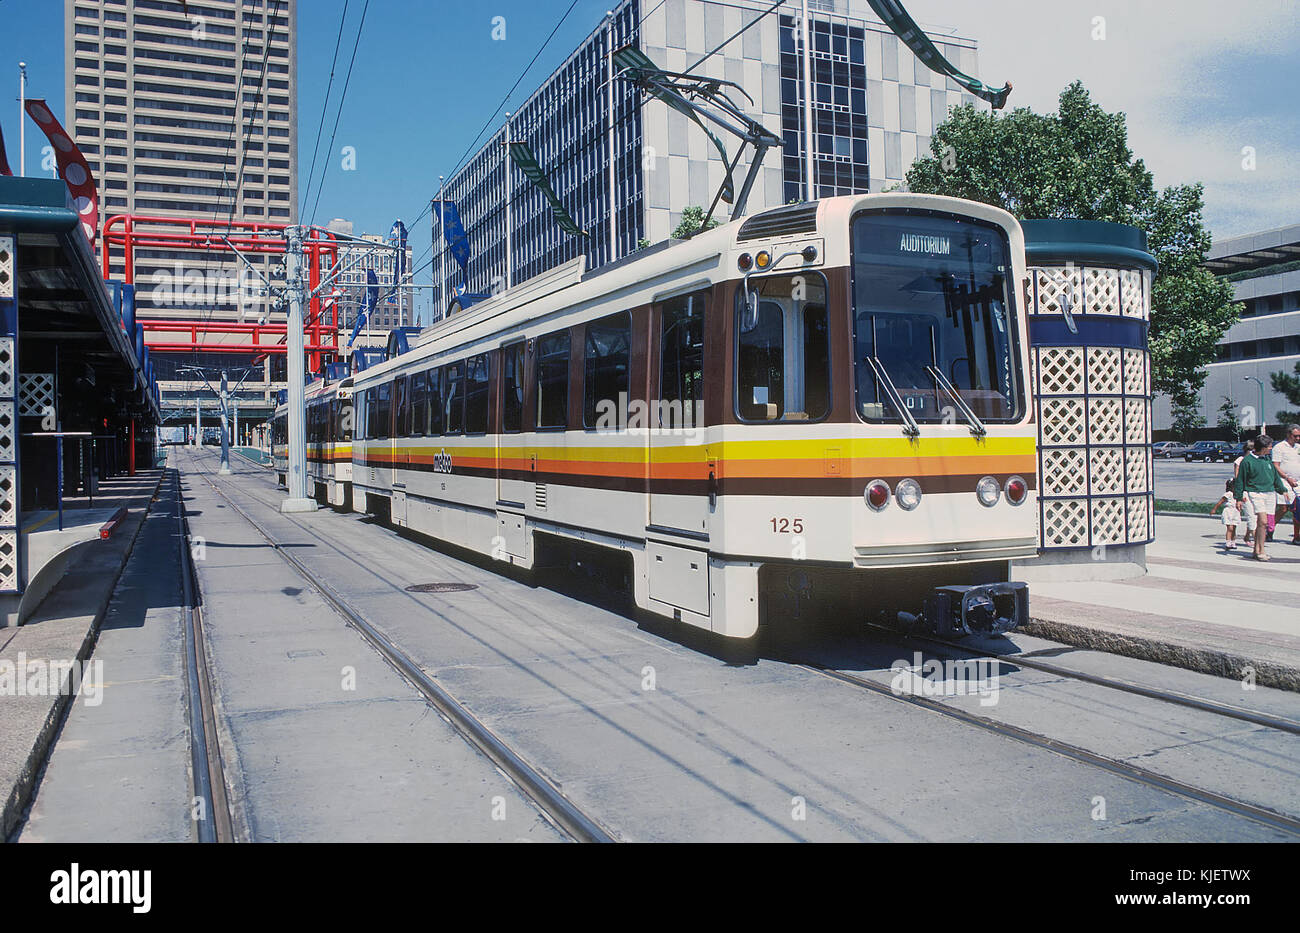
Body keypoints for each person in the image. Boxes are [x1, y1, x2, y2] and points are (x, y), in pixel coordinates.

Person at [1233, 434, 1290, 561]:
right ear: (1262, 447)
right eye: (1269, 446)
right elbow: (1240, 480)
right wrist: (1238, 498)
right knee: (1263, 521)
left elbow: (1275, 477)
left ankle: (1256, 550)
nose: (1271, 448)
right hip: (1255, 493)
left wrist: (1283, 490)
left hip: (1270, 493)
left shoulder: (1267, 460)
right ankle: (1261, 551)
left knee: (1262, 524)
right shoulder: (1247, 461)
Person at [1272, 424, 1300, 544]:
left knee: (1298, 510)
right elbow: (1276, 465)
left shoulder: (1298, 447)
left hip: (1298, 482)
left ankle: (1296, 536)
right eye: (1295, 436)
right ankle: (1269, 529)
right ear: (1288, 434)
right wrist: (1287, 478)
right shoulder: (1279, 447)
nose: (1298, 438)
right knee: (1284, 508)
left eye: (1299, 436)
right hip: (1284, 481)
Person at [1210, 479, 1242, 550]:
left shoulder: (1238, 494)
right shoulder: (1228, 494)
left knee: (1234, 528)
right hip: (1228, 511)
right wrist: (1214, 509)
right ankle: (1228, 542)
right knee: (1229, 528)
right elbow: (1220, 502)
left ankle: (1233, 542)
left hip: (1235, 512)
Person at [1233, 440, 1255, 542]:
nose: (1252, 451)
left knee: (1255, 516)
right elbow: (1238, 477)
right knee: (1250, 515)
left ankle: (1247, 536)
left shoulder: (1255, 460)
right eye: (1250, 449)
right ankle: (1257, 542)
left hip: (1254, 490)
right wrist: (1239, 494)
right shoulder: (1240, 460)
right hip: (1245, 491)